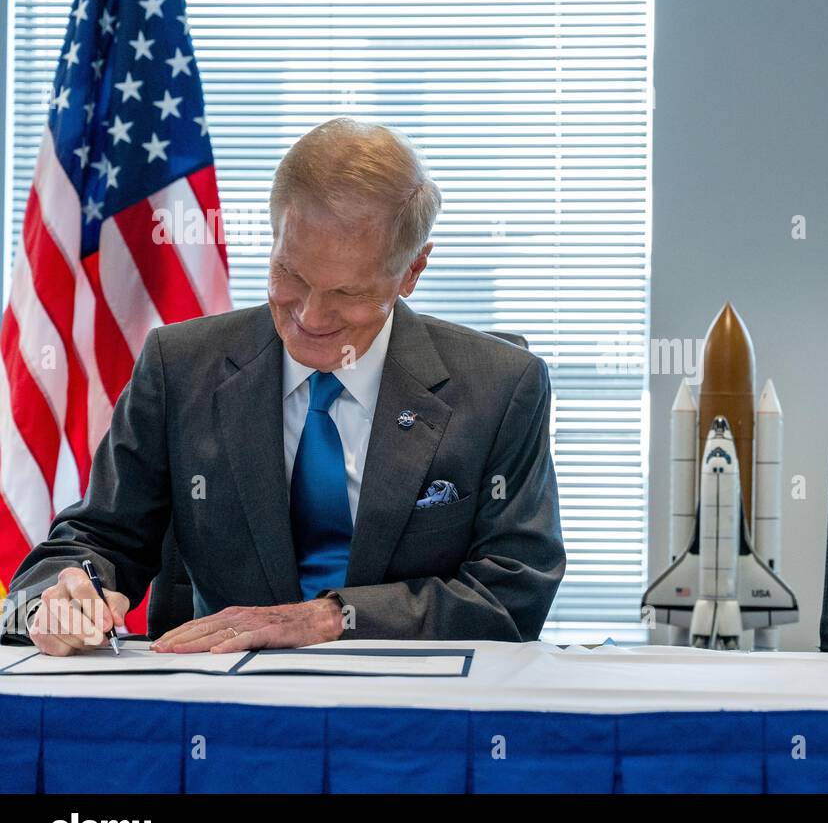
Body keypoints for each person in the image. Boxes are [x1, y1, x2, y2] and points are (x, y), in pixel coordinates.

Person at [4, 117, 566, 656]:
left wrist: (324, 617)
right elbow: (98, 538)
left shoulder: (500, 387)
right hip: (221, 705)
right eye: (289, 275)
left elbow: (511, 593)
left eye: (348, 292)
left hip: (418, 712)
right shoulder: (180, 367)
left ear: (412, 272)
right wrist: (61, 596)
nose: (313, 317)